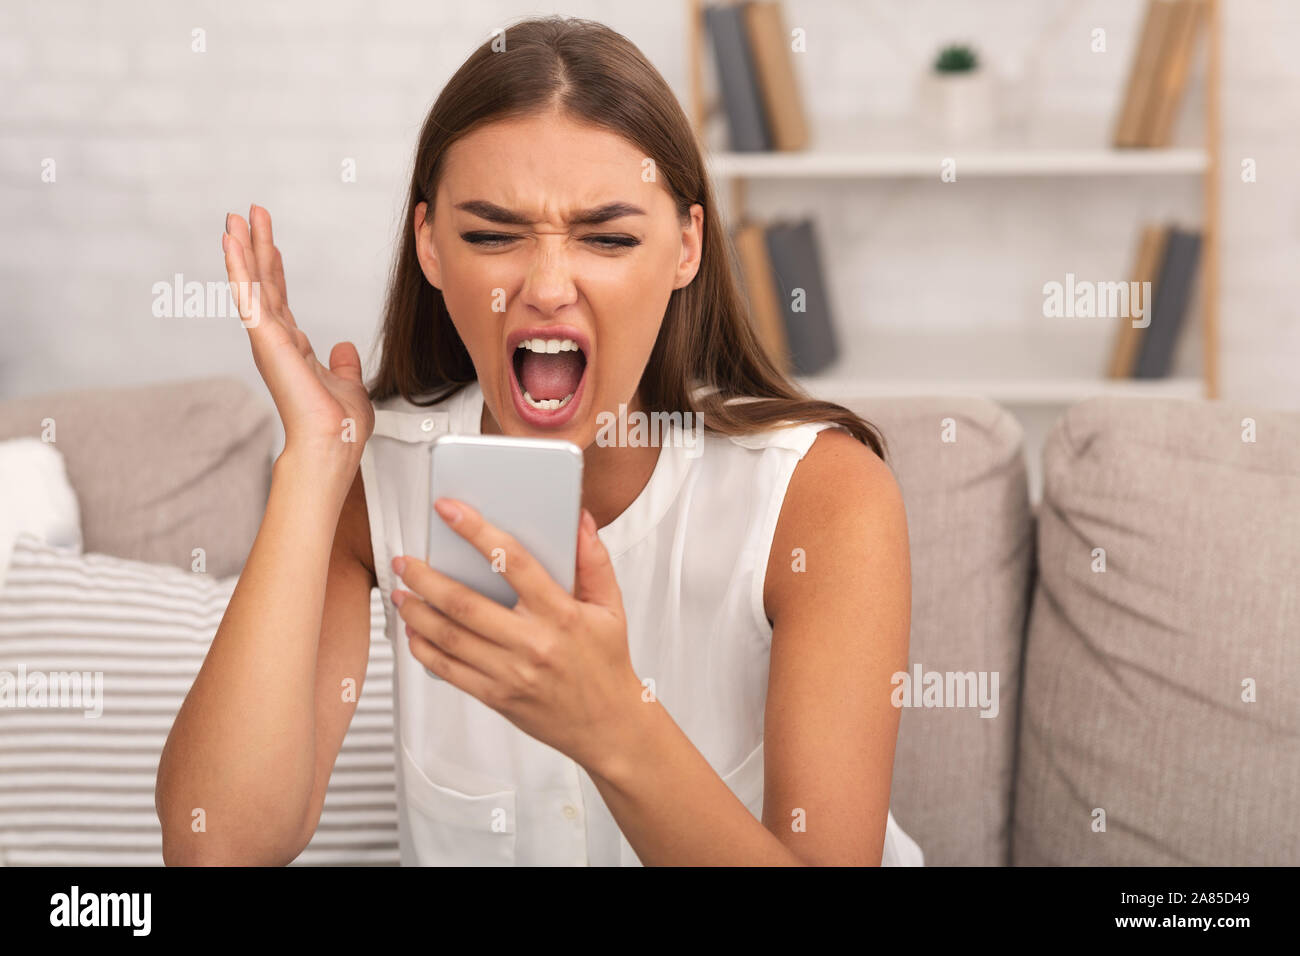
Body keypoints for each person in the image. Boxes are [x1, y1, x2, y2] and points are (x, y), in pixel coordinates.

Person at [156, 15, 923, 867]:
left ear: (686, 247)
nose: (549, 286)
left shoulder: (823, 499)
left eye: (607, 237)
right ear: (430, 246)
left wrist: (611, 723)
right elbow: (215, 847)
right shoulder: (367, 486)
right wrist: (313, 463)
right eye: (491, 234)